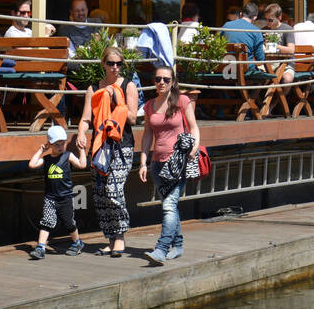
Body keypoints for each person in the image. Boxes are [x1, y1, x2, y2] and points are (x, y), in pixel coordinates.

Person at [76, 46, 139, 256]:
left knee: (114, 190)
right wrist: (81, 133)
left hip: (122, 145)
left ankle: (120, 236)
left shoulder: (128, 86)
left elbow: (132, 118)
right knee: (101, 194)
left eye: (118, 64)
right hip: (100, 145)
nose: (115, 68)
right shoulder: (94, 89)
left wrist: (116, 98)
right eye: (111, 63)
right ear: (103, 64)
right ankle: (111, 237)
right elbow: (86, 118)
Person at [139, 64, 199, 263]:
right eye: (158, 79)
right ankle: (178, 245)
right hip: (158, 164)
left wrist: (194, 147)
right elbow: (148, 134)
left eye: (166, 79)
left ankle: (161, 249)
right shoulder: (149, 105)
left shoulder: (181, 100)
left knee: (168, 205)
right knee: (170, 206)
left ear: (173, 82)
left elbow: (193, 127)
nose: (161, 82)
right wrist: (143, 162)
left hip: (179, 162)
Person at [28, 125, 86, 259]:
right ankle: (40, 247)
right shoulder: (47, 159)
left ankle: (77, 242)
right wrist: (41, 150)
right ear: (50, 144)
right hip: (51, 197)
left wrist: (81, 150)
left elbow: (82, 165)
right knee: (46, 221)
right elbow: (32, 164)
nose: (61, 147)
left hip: (65, 197)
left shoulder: (67, 156)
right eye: (57, 145)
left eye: (63, 144)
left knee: (69, 222)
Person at [222, 2, 271, 77]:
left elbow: (216, 44)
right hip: (246, 71)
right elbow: (260, 60)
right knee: (262, 78)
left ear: (241, 14)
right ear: (255, 18)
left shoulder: (226, 25)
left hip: (225, 69)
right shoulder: (256, 31)